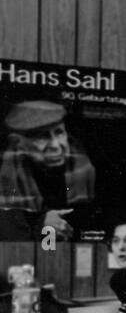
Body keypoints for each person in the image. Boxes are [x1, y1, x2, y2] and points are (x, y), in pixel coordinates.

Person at [0, 100, 96, 239]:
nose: (56, 145)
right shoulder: (8, 181)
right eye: (43, 137)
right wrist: (43, 228)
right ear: (17, 142)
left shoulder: (83, 169)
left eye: (59, 133)